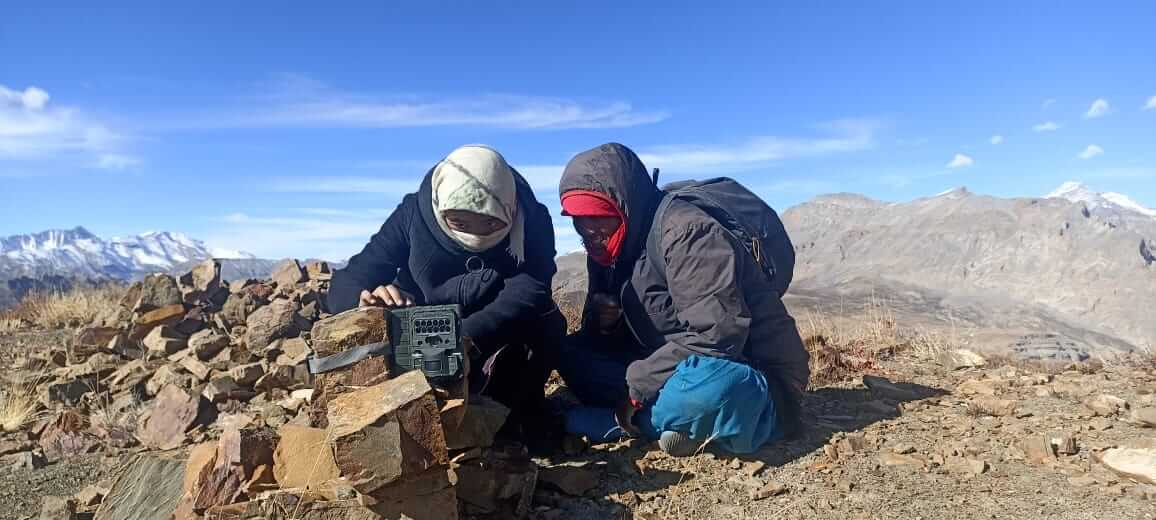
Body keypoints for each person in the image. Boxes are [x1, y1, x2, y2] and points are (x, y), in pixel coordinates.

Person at [556, 142, 810, 456]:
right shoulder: (603, 249)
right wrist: (604, 325)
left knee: (701, 393)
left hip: (746, 369)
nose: (588, 228)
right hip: (666, 362)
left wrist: (636, 387)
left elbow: (719, 337)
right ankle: (671, 422)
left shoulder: (687, 232)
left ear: (623, 205)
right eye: (578, 218)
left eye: (598, 215)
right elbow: (608, 336)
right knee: (567, 351)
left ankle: (636, 420)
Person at [328, 144, 565, 451]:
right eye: (461, 223)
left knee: (548, 324)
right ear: (440, 206)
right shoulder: (414, 214)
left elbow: (530, 288)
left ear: (510, 208)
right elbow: (350, 279)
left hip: (493, 328)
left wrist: (466, 338)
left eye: (492, 223)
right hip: (424, 327)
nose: (476, 237)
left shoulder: (531, 218)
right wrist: (364, 303)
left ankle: (518, 416)